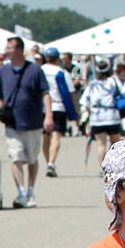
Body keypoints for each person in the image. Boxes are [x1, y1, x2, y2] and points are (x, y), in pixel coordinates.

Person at [0, 36, 52, 208]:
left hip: (34, 122)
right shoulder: (3, 71)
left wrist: (49, 116)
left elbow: (45, 93)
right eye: (6, 48)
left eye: (10, 48)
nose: (7, 51)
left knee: (32, 159)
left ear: (20, 50)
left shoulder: (35, 70)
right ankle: (21, 192)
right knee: (16, 158)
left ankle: (30, 190)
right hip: (12, 123)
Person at [82, 58, 125, 168]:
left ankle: (103, 169)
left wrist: (90, 113)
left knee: (101, 144)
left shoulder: (93, 84)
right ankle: (116, 167)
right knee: (115, 143)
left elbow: (85, 102)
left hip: (97, 117)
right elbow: (123, 93)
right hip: (112, 116)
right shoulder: (114, 81)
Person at [41, 47, 76, 177]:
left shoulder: (40, 70)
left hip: (43, 107)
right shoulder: (62, 72)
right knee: (56, 135)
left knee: (46, 136)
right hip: (58, 106)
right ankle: (51, 162)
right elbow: (70, 92)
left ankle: (48, 162)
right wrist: (73, 109)